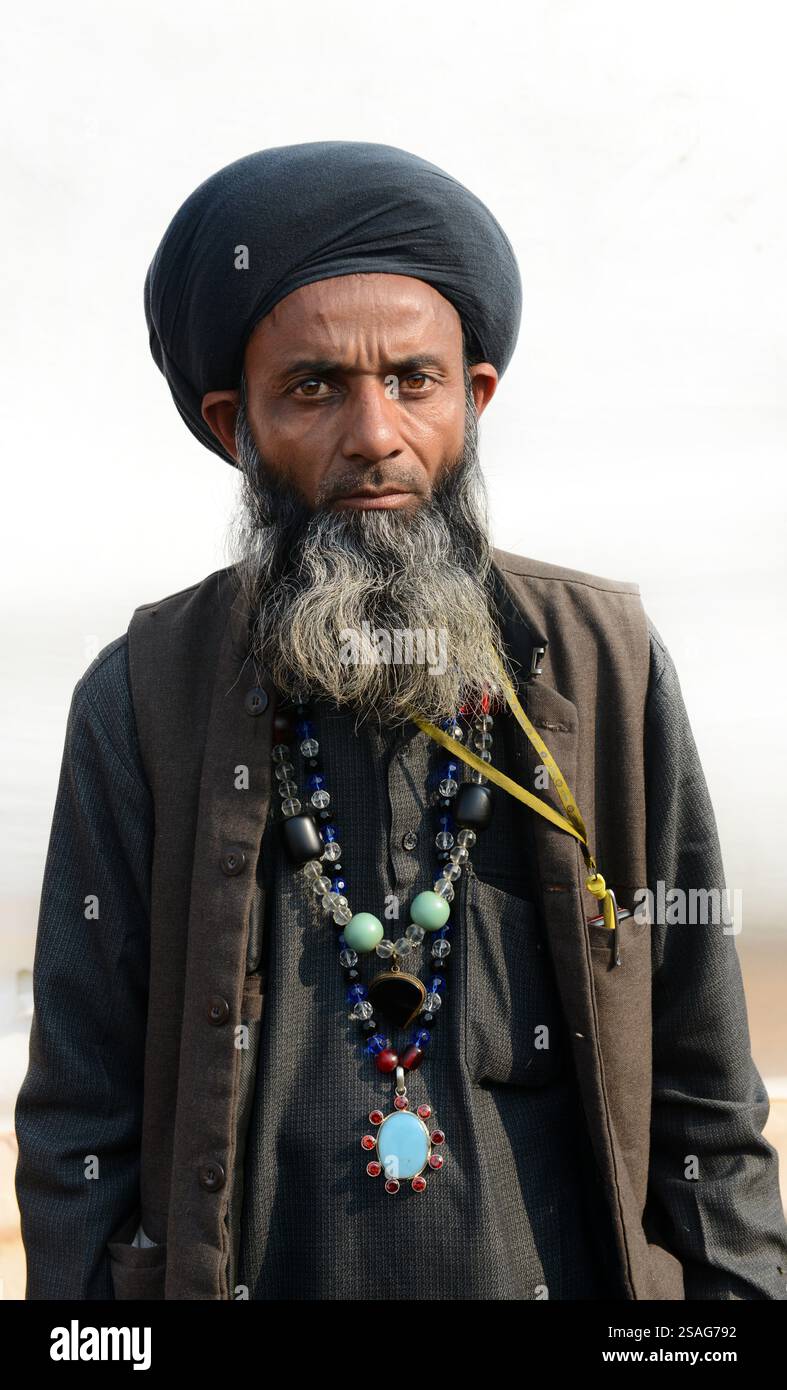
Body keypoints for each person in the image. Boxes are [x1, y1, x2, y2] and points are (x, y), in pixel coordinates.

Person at [15, 143, 787, 1301]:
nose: (375, 433)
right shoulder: (144, 695)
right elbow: (80, 1127)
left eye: (414, 382)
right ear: (238, 424)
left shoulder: (601, 663)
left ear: (472, 400)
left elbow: (706, 1100)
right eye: (316, 387)